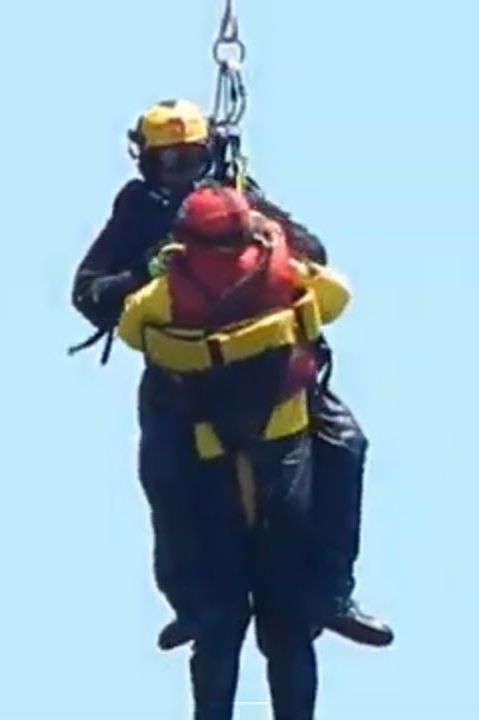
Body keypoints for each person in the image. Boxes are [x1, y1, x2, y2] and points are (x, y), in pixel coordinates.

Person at [69, 97, 392, 648]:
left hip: (273, 371)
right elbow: (88, 292)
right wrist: (145, 273)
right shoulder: (138, 211)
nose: (177, 175)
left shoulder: (240, 198)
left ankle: (332, 590)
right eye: (164, 163)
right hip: (184, 381)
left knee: (347, 445)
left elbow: (315, 251)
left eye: (188, 160)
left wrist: (259, 238)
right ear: (144, 163)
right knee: (165, 475)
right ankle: (192, 603)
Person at [115, 184, 349, 718]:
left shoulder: (166, 294)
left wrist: (160, 267)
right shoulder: (284, 271)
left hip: (209, 457)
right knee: (288, 618)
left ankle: (188, 603)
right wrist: (278, 239)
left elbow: (132, 329)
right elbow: (338, 296)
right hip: (283, 446)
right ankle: (336, 587)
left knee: (219, 618)